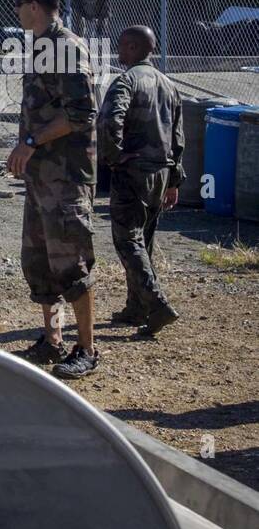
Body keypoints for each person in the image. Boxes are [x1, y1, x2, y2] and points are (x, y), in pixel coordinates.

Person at [7, 0, 100, 379]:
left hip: (65, 177)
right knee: (41, 261)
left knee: (71, 261)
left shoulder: (65, 46)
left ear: (34, 6)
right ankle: (52, 339)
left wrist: (30, 141)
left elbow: (82, 113)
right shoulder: (42, 47)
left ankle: (88, 349)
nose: (15, 9)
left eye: (19, 2)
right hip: (42, 176)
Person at [99, 25, 184, 337]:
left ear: (134, 48)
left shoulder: (127, 81)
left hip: (133, 172)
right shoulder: (169, 86)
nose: (119, 52)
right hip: (160, 173)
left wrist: (114, 155)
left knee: (128, 241)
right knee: (144, 242)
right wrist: (174, 180)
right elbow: (178, 137)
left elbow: (109, 119)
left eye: (122, 46)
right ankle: (135, 307)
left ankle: (157, 304)